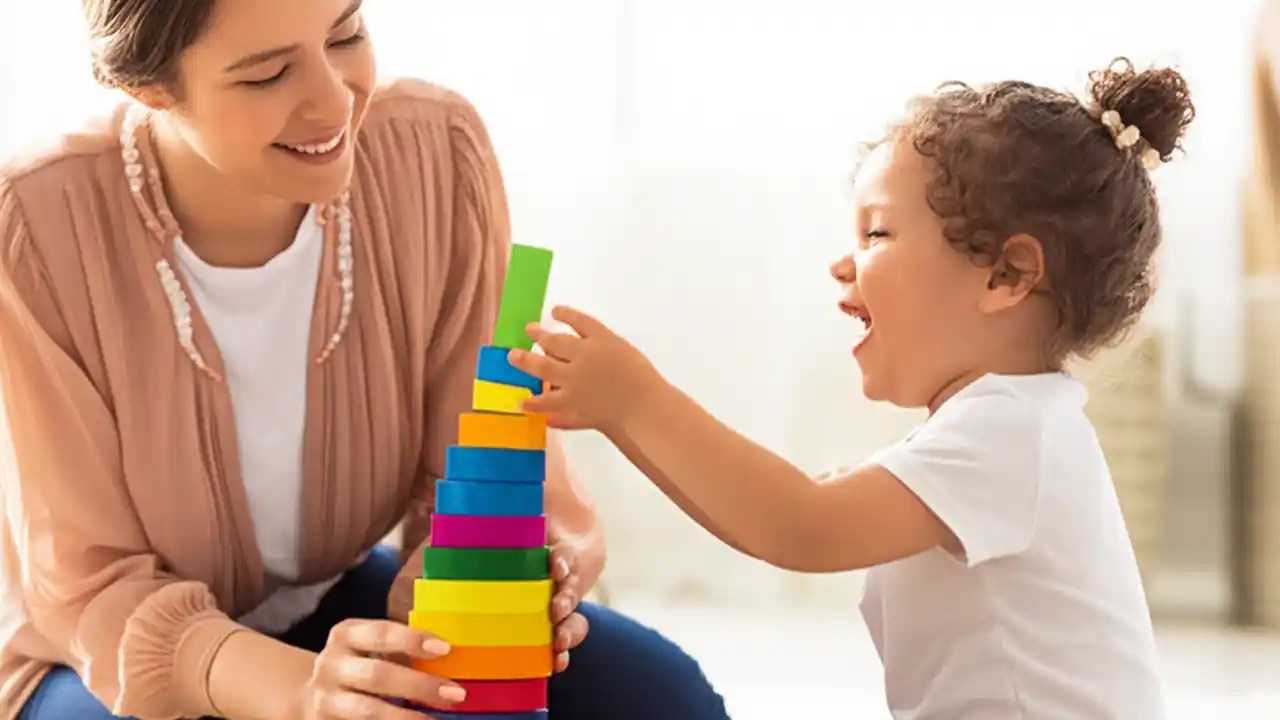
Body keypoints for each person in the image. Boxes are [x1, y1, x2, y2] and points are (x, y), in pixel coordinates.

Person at [0, 0, 730, 718]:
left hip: (335, 607)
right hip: (97, 658)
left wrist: (486, 596)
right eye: (266, 75)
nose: (333, 101)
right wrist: (296, 691)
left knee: (665, 700)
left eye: (345, 33)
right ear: (148, 86)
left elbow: (482, 462)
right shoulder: (38, 225)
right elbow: (91, 587)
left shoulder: (434, 155)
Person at [508, 58, 1193, 718]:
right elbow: (770, 514)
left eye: (877, 232)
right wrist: (620, 417)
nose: (843, 263)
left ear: (1005, 276)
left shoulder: (1012, 434)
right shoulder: (1001, 429)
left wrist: (634, 400)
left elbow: (799, 524)